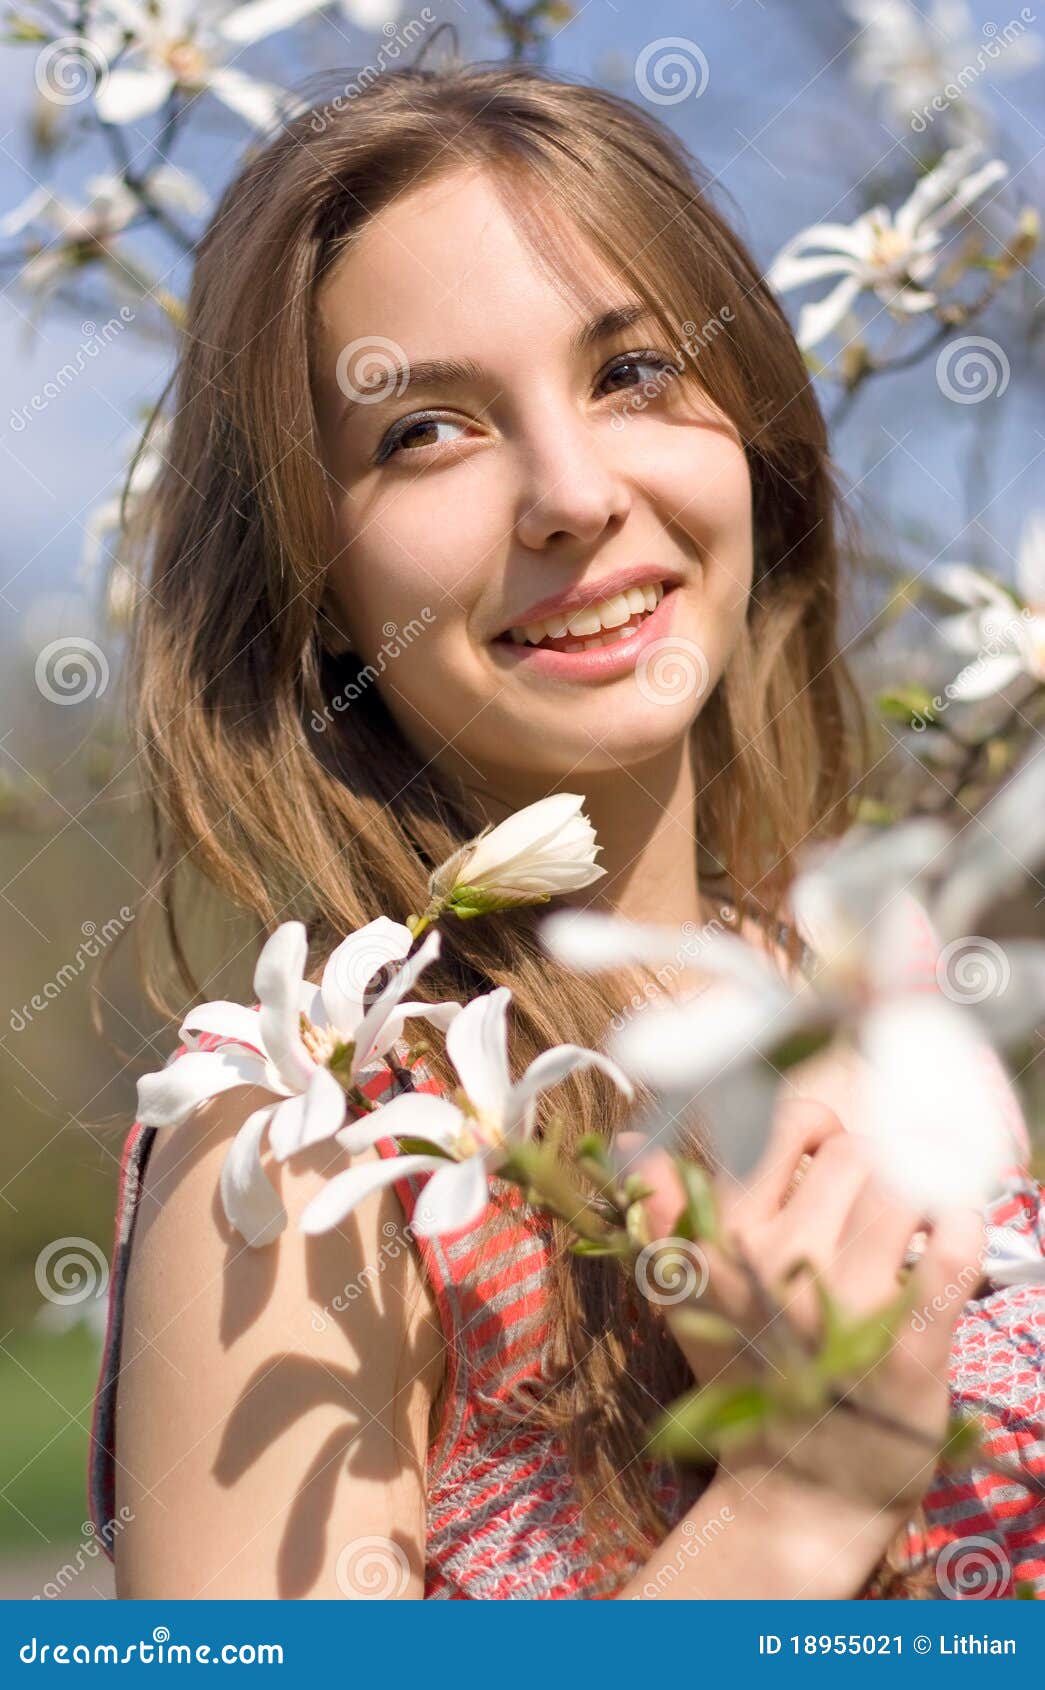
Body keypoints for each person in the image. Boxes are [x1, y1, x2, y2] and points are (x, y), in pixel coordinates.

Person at [87, 58, 1045, 1600]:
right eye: (423, 433)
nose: (572, 493)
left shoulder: (876, 988)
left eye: (631, 372)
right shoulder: (306, 1141)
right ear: (312, 585)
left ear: (755, 438)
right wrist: (795, 1504)